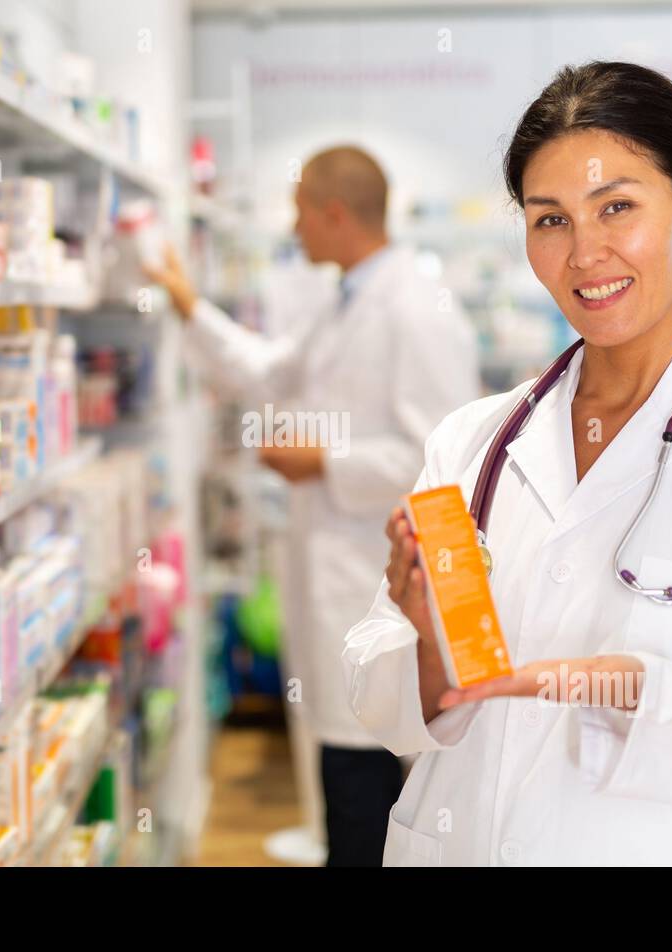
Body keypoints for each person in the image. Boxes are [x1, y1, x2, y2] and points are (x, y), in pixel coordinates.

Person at [342, 62, 672, 866]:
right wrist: (427, 650)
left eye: (617, 207)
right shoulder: (473, 445)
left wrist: (627, 690)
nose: (584, 254)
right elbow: (375, 691)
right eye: (550, 219)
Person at [147, 146, 481, 866]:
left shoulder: (413, 309)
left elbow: (443, 460)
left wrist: (321, 460)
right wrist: (185, 304)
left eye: (299, 211)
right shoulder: (347, 298)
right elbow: (267, 371)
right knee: (344, 761)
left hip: (375, 574)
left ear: (334, 213)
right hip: (333, 566)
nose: (293, 228)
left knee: (364, 775)